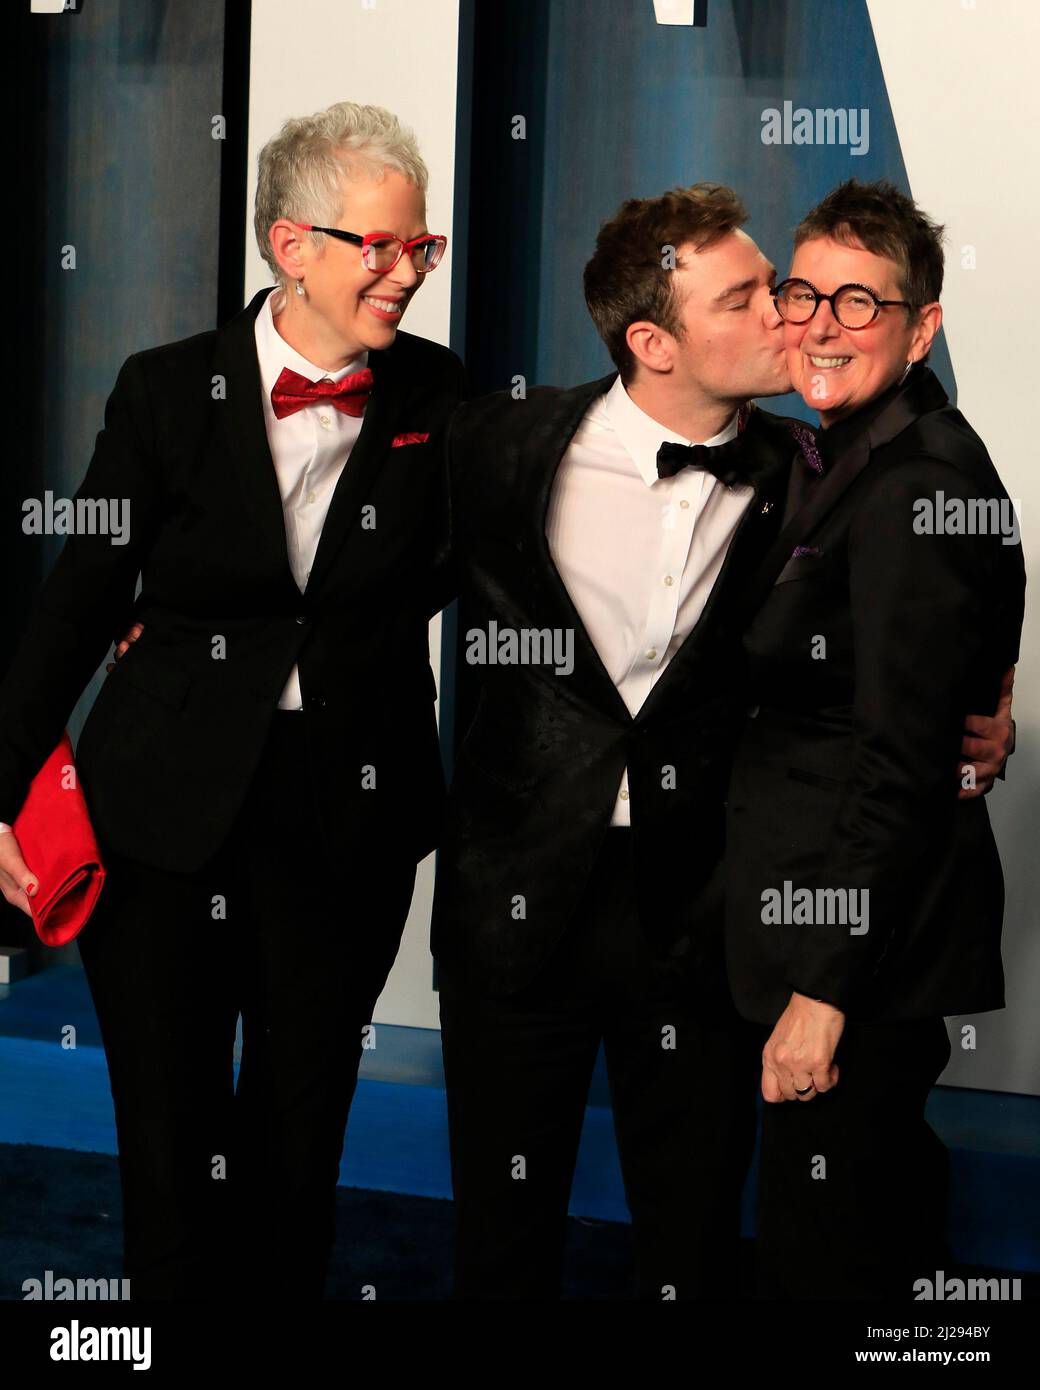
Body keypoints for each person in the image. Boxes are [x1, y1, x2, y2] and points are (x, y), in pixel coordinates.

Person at [430, 183, 1014, 1299]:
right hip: (515, 902)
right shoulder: (495, 445)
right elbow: (362, 588)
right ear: (652, 340)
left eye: (785, 290)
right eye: (755, 297)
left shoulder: (812, 467)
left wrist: (983, 717)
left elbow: (907, 648)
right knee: (498, 1244)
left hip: (704, 912)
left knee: (693, 1240)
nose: (789, 320)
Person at [0, 100, 466, 1299]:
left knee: (298, 1140)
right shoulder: (162, 392)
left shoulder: (442, 399)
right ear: (288, 243)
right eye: (377, 245)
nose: (404, 272)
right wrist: (2, 798)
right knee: (169, 1136)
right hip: (160, 814)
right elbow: (79, 599)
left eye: (418, 246)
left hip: (347, 819)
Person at [723, 179, 1026, 1299]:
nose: (821, 323)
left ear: (921, 327)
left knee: (829, 1258)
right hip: (837, 931)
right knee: (874, 1231)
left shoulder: (915, 486)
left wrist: (822, 991)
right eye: (803, 294)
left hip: (855, 958)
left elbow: (899, 764)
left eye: (860, 302)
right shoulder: (852, 456)